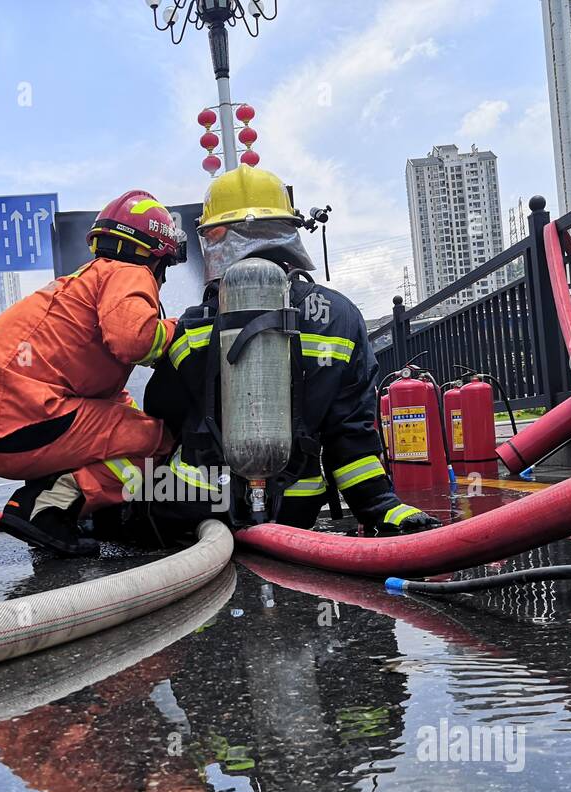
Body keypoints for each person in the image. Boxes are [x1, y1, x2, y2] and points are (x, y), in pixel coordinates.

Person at [138, 165, 441, 540]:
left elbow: (160, 413)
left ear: (214, 242)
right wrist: (382, 508)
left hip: (198, 506)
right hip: (295, 510)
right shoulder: (340, 318)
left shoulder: (192, 325)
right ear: (288, 233)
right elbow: (350, 434)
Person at [0, 190, 186, 557]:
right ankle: (50, 504)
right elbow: (133, 340)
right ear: (157, 255)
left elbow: (101, 400)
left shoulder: (85, 284)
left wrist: (134, 418)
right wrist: (179, 331)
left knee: (134, 429)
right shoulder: (129, 273)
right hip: (20, 420)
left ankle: (57, 507)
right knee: (160, 441)